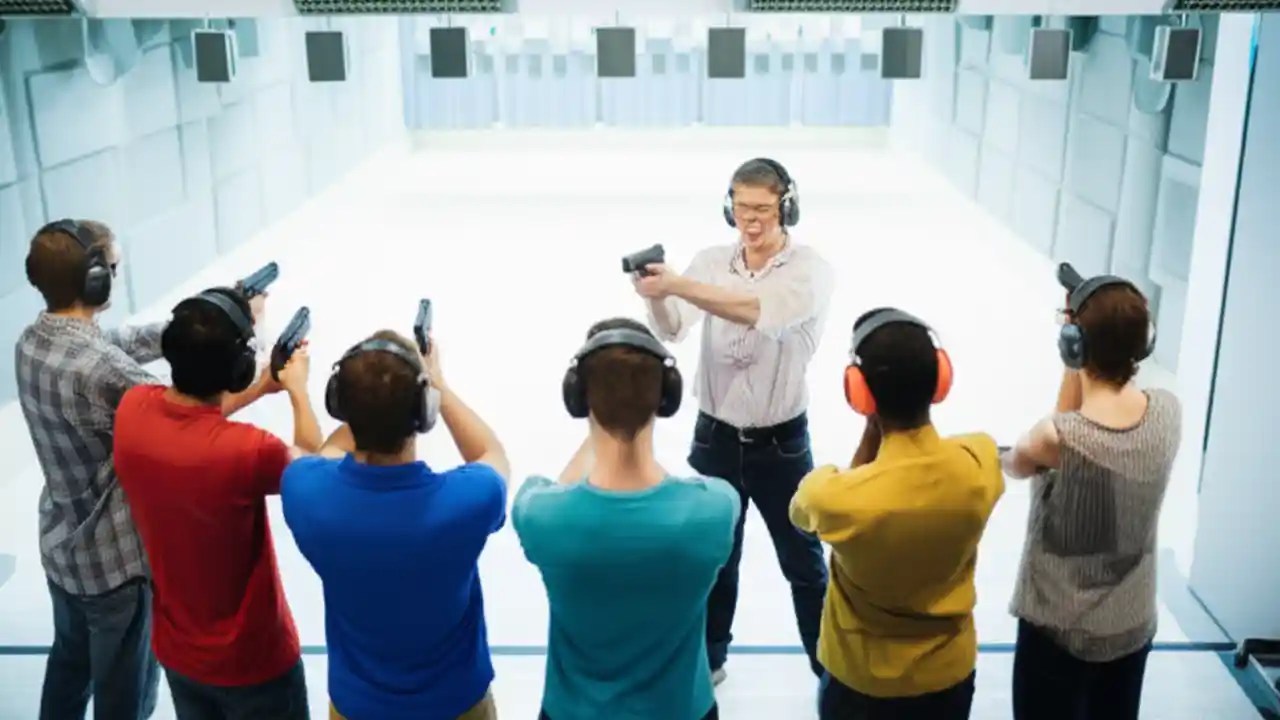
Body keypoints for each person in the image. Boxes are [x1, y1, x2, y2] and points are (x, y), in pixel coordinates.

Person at [15, 220, 272, 720]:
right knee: (124, 699)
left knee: (68, 670)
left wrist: (203, 317)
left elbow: (120, 341)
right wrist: (249, 347)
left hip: (62, 550)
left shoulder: (31, 342)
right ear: (95, 281)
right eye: (111, 267)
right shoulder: (99, 371)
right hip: (115, 568)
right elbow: (187, 417)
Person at [633, 157, 833, 681]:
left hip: (782, 445)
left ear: (786, 207)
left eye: (764, 209)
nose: (752, 220)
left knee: (804, 563)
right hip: (715, 437)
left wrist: (678, 285)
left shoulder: (809, 270)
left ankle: (829, 664)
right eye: (742, 207)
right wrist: (657, 297)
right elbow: (674, 328)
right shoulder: (710, 261)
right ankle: (711, 658)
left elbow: (756, 309)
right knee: (713, 559)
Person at [112, 286, 323, 719]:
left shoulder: (133, 409)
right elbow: (314, 474)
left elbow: (189, 418)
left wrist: (262, 387)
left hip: (179, 654)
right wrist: (298, 391)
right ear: (238, 366)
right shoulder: (248, 451)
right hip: (254, 660)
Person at [513, 318, 739, 720]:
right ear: (665, 398)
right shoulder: (715, 509)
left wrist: (603, 421)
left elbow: (553, 490)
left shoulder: (539, 515)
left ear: (580, 398)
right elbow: (704, 488)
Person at [281, 329, 511, 720]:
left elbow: (322, 455)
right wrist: (437, 382)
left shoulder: (303, 492)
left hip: (358, 706)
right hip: (457, 705)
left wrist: (360, 398)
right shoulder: (468, 500)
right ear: (425, 410)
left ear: (341, 404)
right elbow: (491, 454)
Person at [789, 308, 1004, 719]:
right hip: (948, 675)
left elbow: (804, 514)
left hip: (861, 683)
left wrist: (874, 427)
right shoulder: (979, 461)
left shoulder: (834, 497)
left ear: (861, 394)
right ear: (940, 379)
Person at [1002, 275, 1181, 720]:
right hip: (1130, 624)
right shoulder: (1168, 411)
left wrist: (1070, 360)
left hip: (1057, 631)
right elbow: (1079, 424)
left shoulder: (1056, 437)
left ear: (1073, 344)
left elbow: (1018, 463)